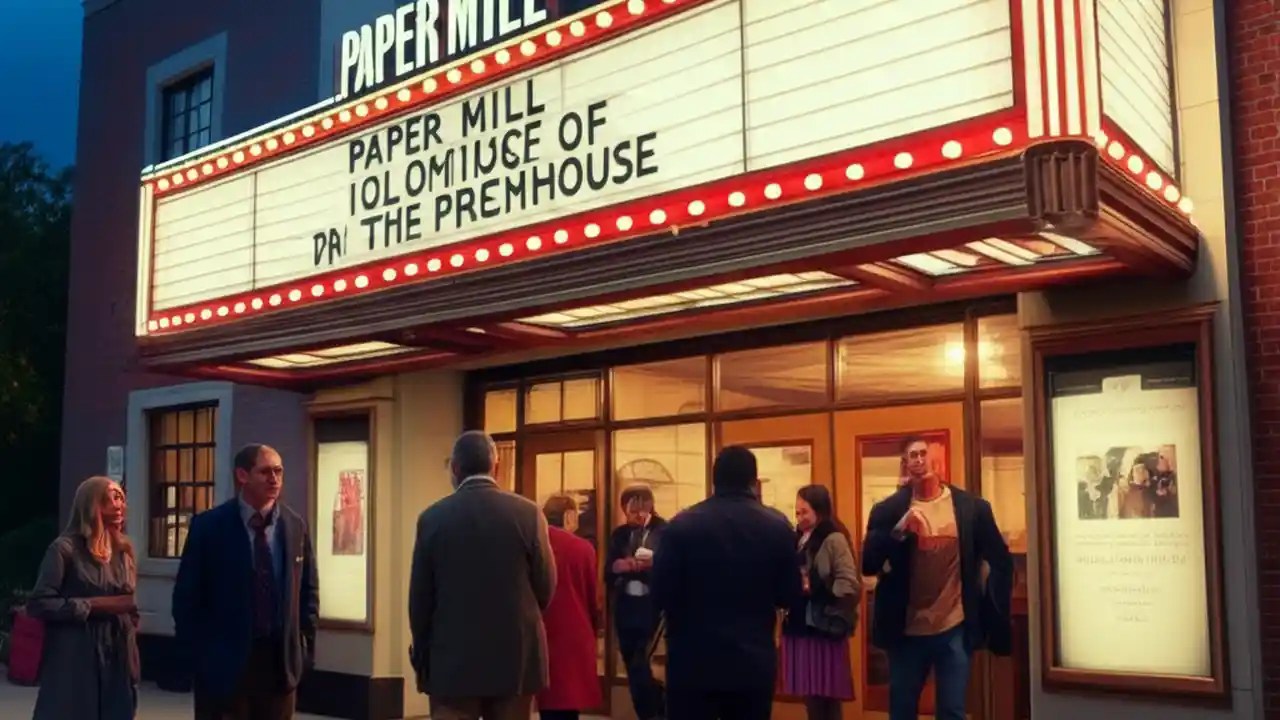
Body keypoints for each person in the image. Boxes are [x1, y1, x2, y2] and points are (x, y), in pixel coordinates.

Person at [409, 431, 557, 720]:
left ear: (455, 468)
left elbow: (420, 600)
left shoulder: (433, 518)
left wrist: (423, 654)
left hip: (451, 660)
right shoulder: (529, 514)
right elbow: (546, 587)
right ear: (496, 466)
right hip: (515, 657)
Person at [862, 436, 1012, 720]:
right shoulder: (888, 510)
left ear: (939, 461)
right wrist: (898, 531)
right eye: (913, 456)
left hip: (954, 625)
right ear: (906, 465)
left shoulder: (971, 509)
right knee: (902, 710)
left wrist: (993, 609)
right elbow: (868, 565)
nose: (920, 461)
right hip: (906, 630)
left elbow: (1001, 561)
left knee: (953, 711)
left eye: (925, 454)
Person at [651, 446, 801, 720]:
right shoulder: (777, 526)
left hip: (692, 660)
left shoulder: (681, 525)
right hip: (752, 660)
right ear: (753, 482)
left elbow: (661, 593)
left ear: (714, 480)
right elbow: (788, 594)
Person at [173, 444, 319, 720]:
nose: (274, 479)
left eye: (278, 472)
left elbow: (308, 591)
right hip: (224, 666)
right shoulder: (210, 526)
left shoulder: (294, 525)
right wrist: (199, 658)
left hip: (278, 665)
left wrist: (303, 650)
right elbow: (187, 597)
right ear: (242, 475)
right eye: (265, 472)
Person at [28, 476, 139, 720]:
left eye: (122, 497)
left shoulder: (123, 552)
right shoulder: (64, 549)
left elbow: (130, 604)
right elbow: (39, 603)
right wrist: (92, 605)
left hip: (116, 657)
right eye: (113, 497)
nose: (121, 504)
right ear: (93, 504)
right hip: (75, 657)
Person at [782, 485, 859, 720]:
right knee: (811, 694)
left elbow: (848, 581)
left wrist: (819, 592)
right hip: (801, 624)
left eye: (805, 512)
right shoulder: (799, 538)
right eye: (797, 513)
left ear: (820, 510)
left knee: (826, 696)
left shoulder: (833, 537)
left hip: (822, 626)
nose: (800, 518)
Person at [537, 494, 603, 720]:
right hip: (574, 629)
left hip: (541, 628)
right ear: (569, 515)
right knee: (568, 702)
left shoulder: (534, 543)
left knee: (547, 699)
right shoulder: (582, 548)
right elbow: (592, 595)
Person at [605, 484, 667, 720]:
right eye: (629, 512)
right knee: (632, 662)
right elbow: (609, 568)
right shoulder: (619, 534)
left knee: (643, 660)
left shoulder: (663, 530)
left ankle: (654, 711)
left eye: (638, 511)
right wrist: (620, 565)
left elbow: (668, 564)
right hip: (626, 605)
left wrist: (650, 565)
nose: (634, 516)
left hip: (653, 606)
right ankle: (652, 709)